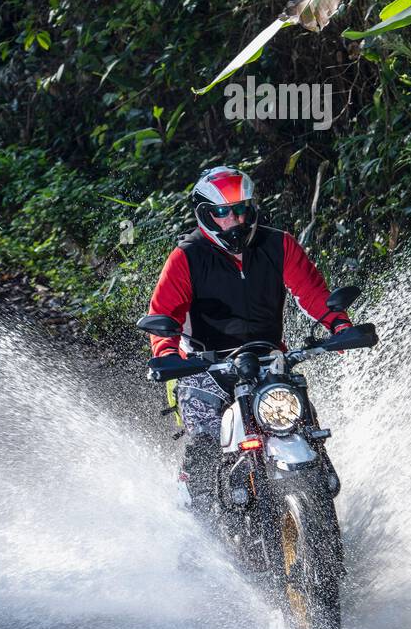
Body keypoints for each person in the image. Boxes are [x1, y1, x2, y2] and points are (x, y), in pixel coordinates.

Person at [147, 165, 351, 508]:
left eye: (240, 209)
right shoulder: (187, 257)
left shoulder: (279, 244)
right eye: (223, 212)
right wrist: (166, 353)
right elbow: (164, 314)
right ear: (207, 214)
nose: (234, 219)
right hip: (204, 367)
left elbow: (312, 293)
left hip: (268, 360)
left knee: (301, 419)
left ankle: (318, 474)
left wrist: (340, 326)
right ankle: (195, 532)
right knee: (206, 446)